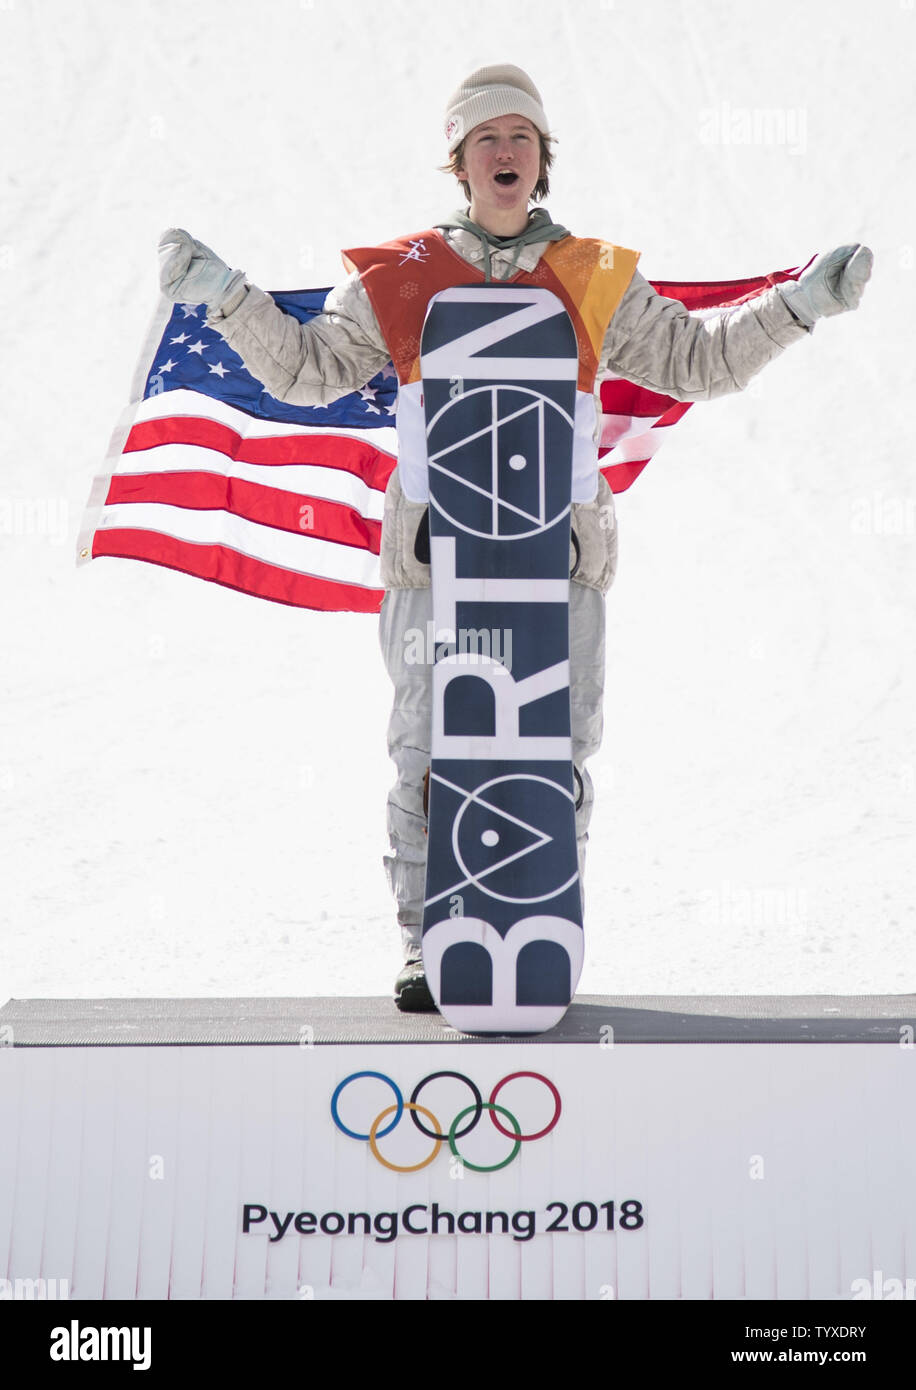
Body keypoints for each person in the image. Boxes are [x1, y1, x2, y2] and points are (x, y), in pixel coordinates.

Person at [158, 64, 873, 1014]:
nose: (505, 152)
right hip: (435, 560)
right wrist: (226, 295)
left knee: (552, 749)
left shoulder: (593, 274)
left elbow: (697, 361)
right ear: (459, 162)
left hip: (556, 559)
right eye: (486, 139)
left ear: (542, 161)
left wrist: (799, 305)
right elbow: (306, 371)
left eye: (521, 138)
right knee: (427, 751)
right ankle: (427, 945)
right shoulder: (401, 274)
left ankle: (540, 915)